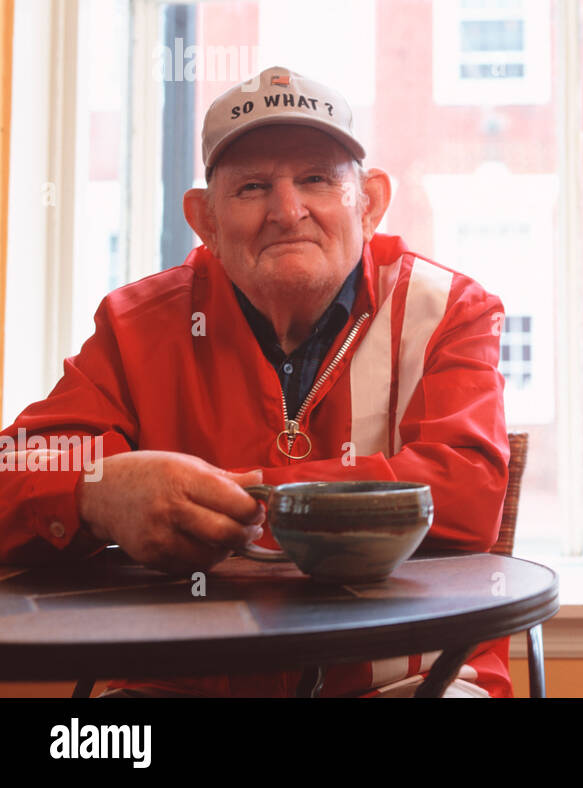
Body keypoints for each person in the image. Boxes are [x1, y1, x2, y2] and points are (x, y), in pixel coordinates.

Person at [0, 66, 512, 697]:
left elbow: (466, 490)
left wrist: (253, 494)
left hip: (414, 677)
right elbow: (15, 469)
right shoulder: (137, 325)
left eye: (317, 179)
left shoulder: (450, 310)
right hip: (189, 684)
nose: (287, 211)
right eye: (251, 188)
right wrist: (97, 492)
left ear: (370, 202)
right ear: (205, 219)